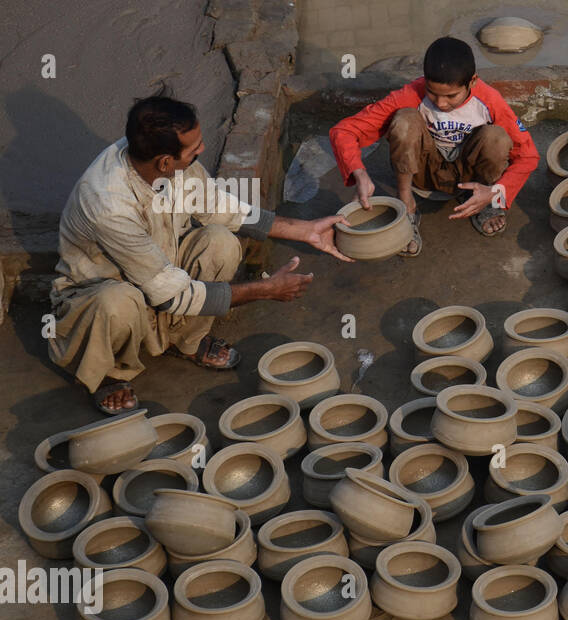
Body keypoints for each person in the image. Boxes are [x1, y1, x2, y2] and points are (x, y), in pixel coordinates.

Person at [49, 94, 354, 415]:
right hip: (98, 292)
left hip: (157, 266)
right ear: (165, 162)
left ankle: (187, 340)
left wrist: (304, 230)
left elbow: (219, 208)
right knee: (118, 303)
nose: (202, 150)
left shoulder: (161, 157)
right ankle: (112, 373)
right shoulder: (108, 204)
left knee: (220, 242)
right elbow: (172, 293)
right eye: (194, 150)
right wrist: (264, 290)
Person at [329, 36, 538, 255]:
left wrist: (496, 192)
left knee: (496, 137)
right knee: (404, 120)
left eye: (451, 95)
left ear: (472, 81)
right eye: (432, 92)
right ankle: (406, 204)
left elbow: (528, 156)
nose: (441, 103)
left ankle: (485, 201)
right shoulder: (411, 93)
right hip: (423, 174)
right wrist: (359, 173)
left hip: (470, 176)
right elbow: (344, 131)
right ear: (424, 80)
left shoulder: (490, 100)